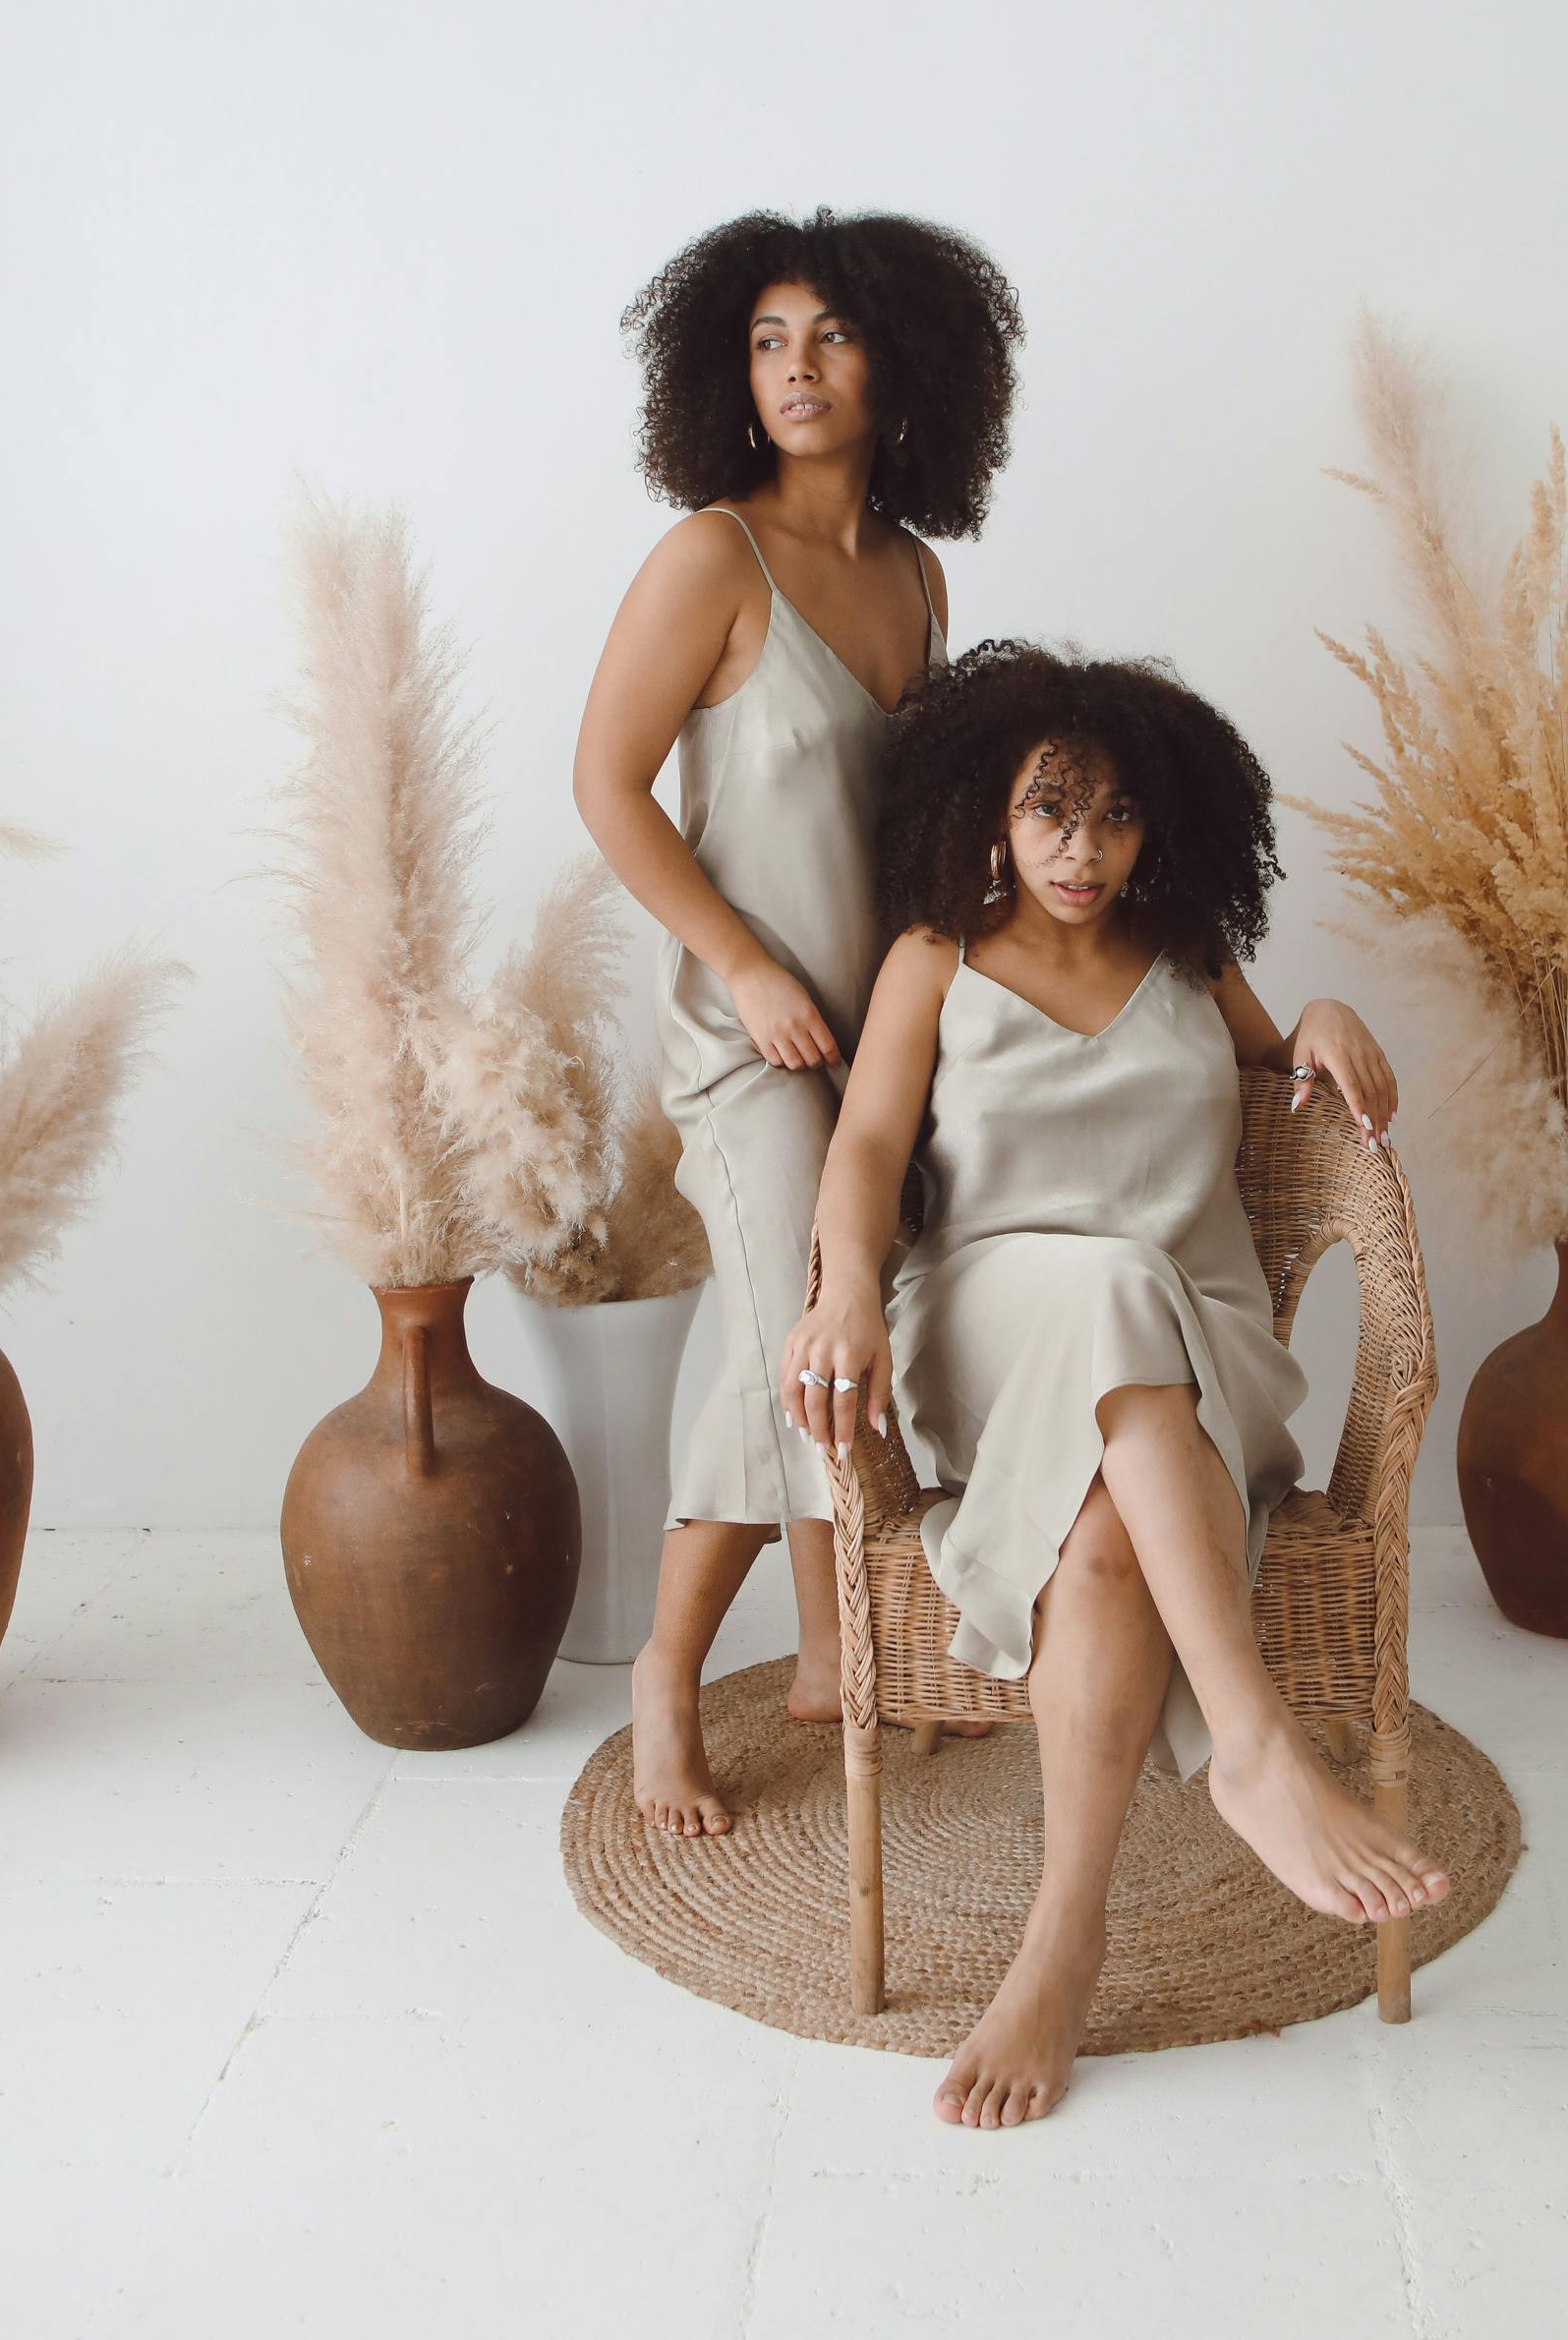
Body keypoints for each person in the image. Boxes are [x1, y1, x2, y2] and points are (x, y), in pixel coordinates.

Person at [782, 644, 1451, 2127]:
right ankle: (1254, 1742)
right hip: (996, 1327)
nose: (1084, 850)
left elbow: (1289, 1078)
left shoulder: (1192, 954)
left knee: (1102, 1540)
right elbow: (867, 1156)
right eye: (1051, 811)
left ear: (1164, 827)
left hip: (1197, 1346)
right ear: (993, 816)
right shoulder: (932, 959)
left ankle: (1062, 1944)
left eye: (1118, 818)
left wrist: (1326, 1018)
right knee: (1102, 1279)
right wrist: (838, 1286)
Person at [573, 208, 1020, 1837]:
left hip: (889, 1046)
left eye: (828, 336)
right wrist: (745, 968)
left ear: (900, 363)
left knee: (871, 1336)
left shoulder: (915, 573)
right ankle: (666, 1682)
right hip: (750, 1051)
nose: (797, 370)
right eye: (767, 342)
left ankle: (837, 1659)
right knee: (794, 1352)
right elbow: (605, 789)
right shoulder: (711, 557)